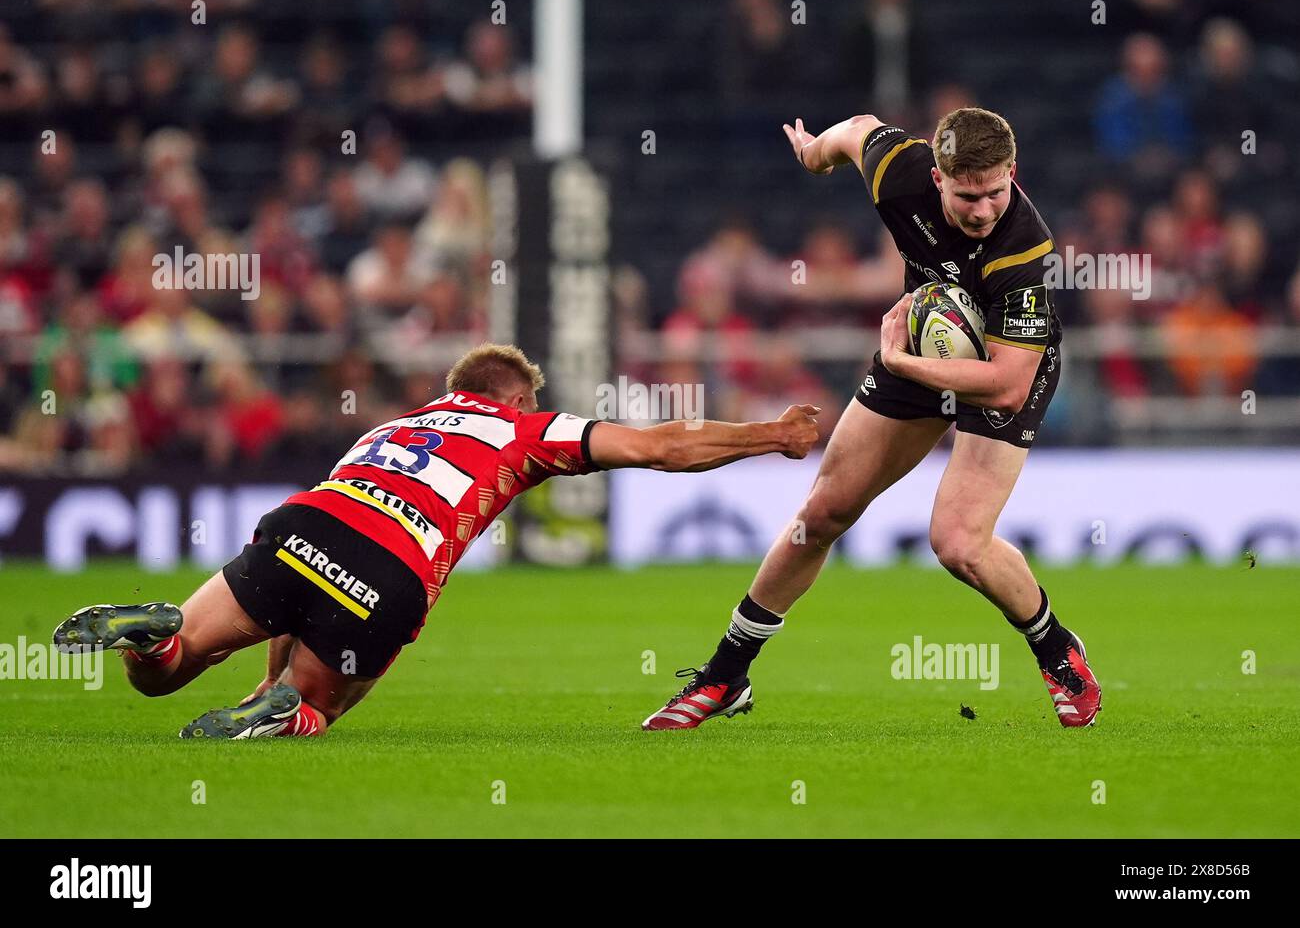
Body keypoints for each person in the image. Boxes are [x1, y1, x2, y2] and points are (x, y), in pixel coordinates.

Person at [52, 344, 819, 739]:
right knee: (320, 709)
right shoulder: (526, 427)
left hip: (303, 525)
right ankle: (288, 711)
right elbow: (662, 446)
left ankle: (158, 637)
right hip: (391, 570)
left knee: (169, 669)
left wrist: (266, 671)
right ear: (514, 397)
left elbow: (303, 585)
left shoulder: (389, 425)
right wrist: (771, 434)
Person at [643, 108, 1102, 731]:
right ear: (937, 178)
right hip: (920, 341)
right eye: (969, 196)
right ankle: (727, 675)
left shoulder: (1022, 244)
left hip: (1003, 364)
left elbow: (1007, 385)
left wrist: (899, 363)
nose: (984, 209)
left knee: (958, 544)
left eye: (996, 191)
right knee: (823, 513)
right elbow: (858, 129)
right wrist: (814, 155)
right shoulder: (899, 169)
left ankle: (1058, 652)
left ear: (1011, 174)